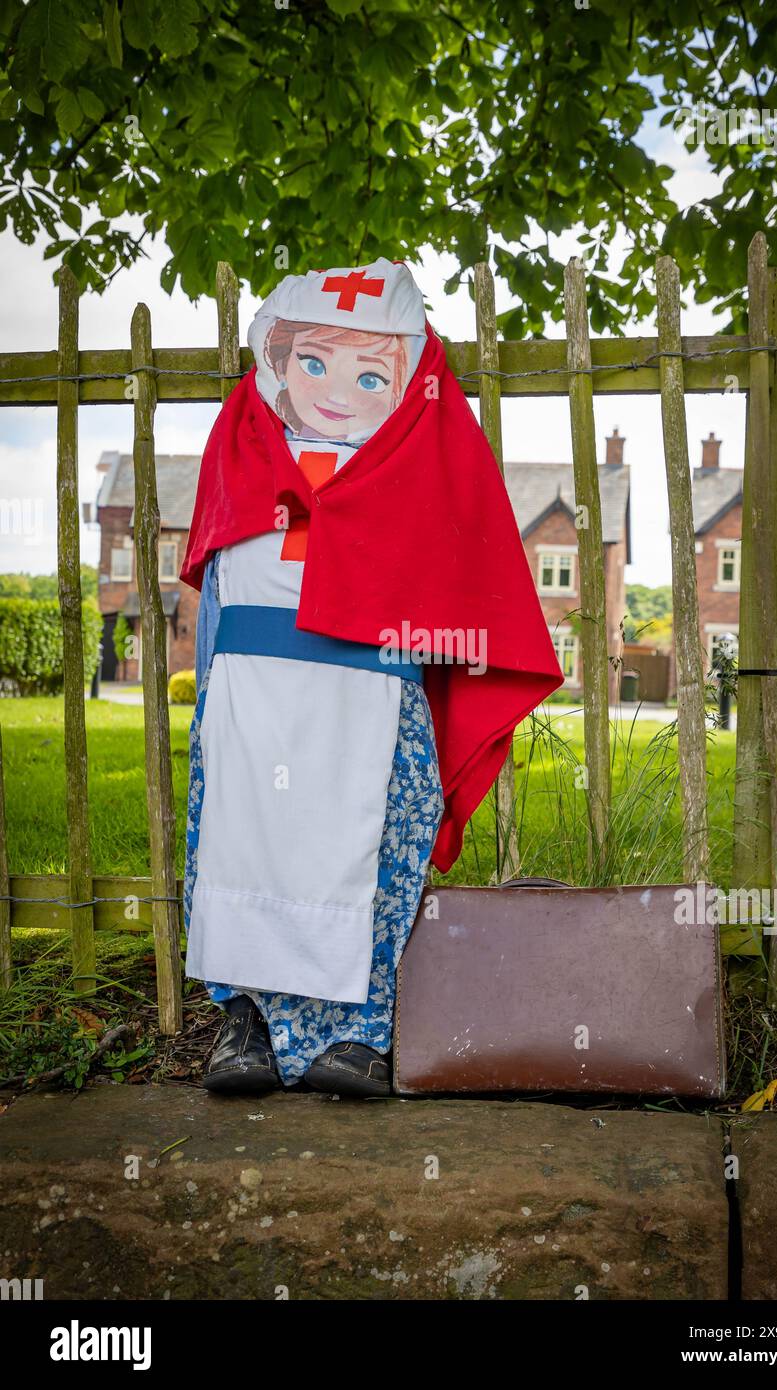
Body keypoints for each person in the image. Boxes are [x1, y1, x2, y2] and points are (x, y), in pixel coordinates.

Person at [180, 258, 562, 1097]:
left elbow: (465, 572)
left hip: (374, 691)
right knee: (247, 841)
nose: (337, 389)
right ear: (277, 359)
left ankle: (357, 1033)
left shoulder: (426, 456)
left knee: (370, 837)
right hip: (255, 693)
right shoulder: (243, 444)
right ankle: (246, 1020)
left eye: (368, 372)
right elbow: (215, 577)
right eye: (314, 362)